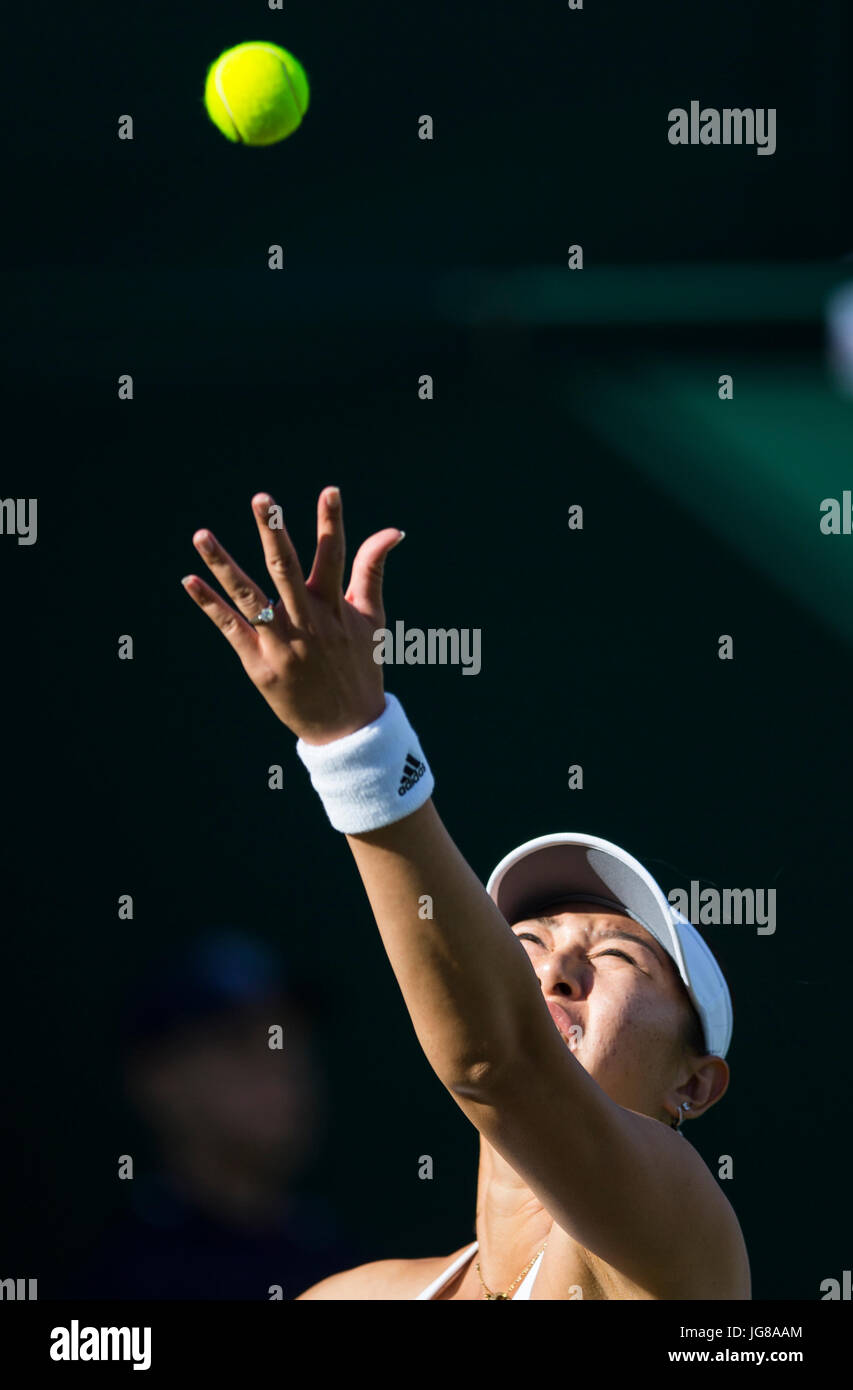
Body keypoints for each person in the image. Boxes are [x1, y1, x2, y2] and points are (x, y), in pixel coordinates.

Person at [181, 487, 751, 1300]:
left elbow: (498, 1061)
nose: (554, 974)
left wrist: (354, 744)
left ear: (690, 1084)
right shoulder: (349, 1298)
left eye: (619, 955)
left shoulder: (683, 1235)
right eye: (523, 946)